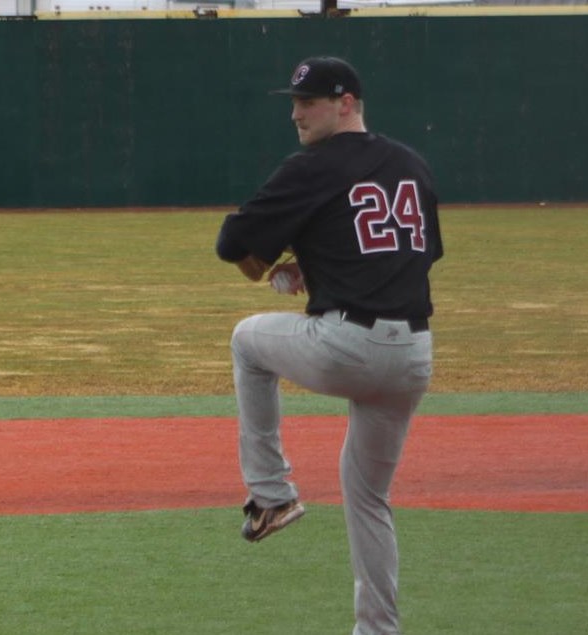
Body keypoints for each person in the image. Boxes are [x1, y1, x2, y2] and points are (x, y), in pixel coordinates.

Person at [215, 56, 443, 635]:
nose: (296, 113)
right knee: (368, 498)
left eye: (309, 101)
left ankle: (271, 494)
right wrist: (315, 268)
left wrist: (280, 258)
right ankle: (378, 631)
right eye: (294, 101)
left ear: (346, 103)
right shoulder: (412, 165)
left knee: (247, 340)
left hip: (349, 346)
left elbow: (232, 242)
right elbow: (408, 257)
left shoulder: (312, 167)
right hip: (413, 356)